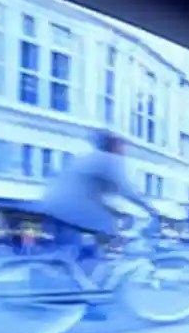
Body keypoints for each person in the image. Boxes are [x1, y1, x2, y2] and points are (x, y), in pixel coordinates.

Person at [36, 130, 160, 316]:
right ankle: (90, 298)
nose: (125, 151)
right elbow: (126, 189)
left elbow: (94, 197)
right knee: (108, 240)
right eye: (122, 146)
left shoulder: (90, 158)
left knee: (74, 255)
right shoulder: (109, 160)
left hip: (53, 205)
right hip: (70, 209)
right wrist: (151, 209)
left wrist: (117, 214)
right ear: (114, 146)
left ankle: (71, 291)